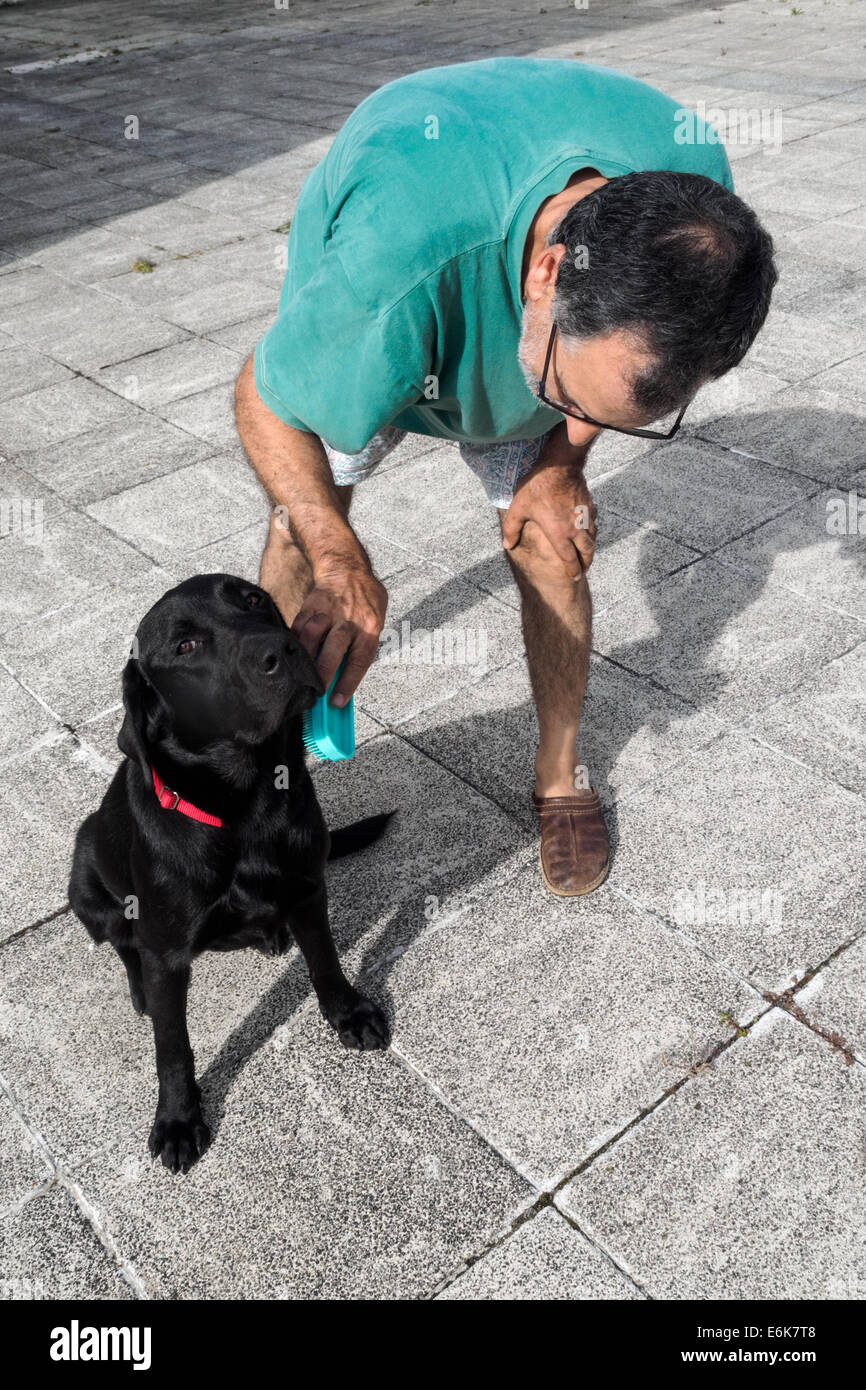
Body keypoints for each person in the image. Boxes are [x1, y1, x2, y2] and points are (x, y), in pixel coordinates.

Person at [235, 57, 776, 896]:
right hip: (412, 290)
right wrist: (338, 549)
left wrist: (563, 458)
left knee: (554, 539)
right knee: (302, 524)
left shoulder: (700, 207)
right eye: (565, 394)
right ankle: (256, 773)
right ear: (548, 273)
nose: (566, 412)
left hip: (518, 303)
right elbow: (266, 402)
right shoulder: (396, 260)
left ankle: (560, 779)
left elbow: (606, 382)